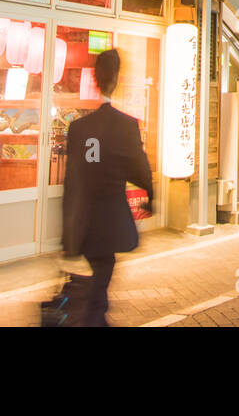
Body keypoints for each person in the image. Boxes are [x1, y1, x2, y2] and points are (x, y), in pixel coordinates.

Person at [62, 49, 154, 327]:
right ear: (116, 78)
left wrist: (67, 233)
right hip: (111, 221)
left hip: (83, 222)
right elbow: (139, 168)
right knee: (98, 293)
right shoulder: (125, 126)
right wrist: (151, 195)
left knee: (98, 286)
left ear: (95, 79)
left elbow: (71, 182)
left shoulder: (78, 128)